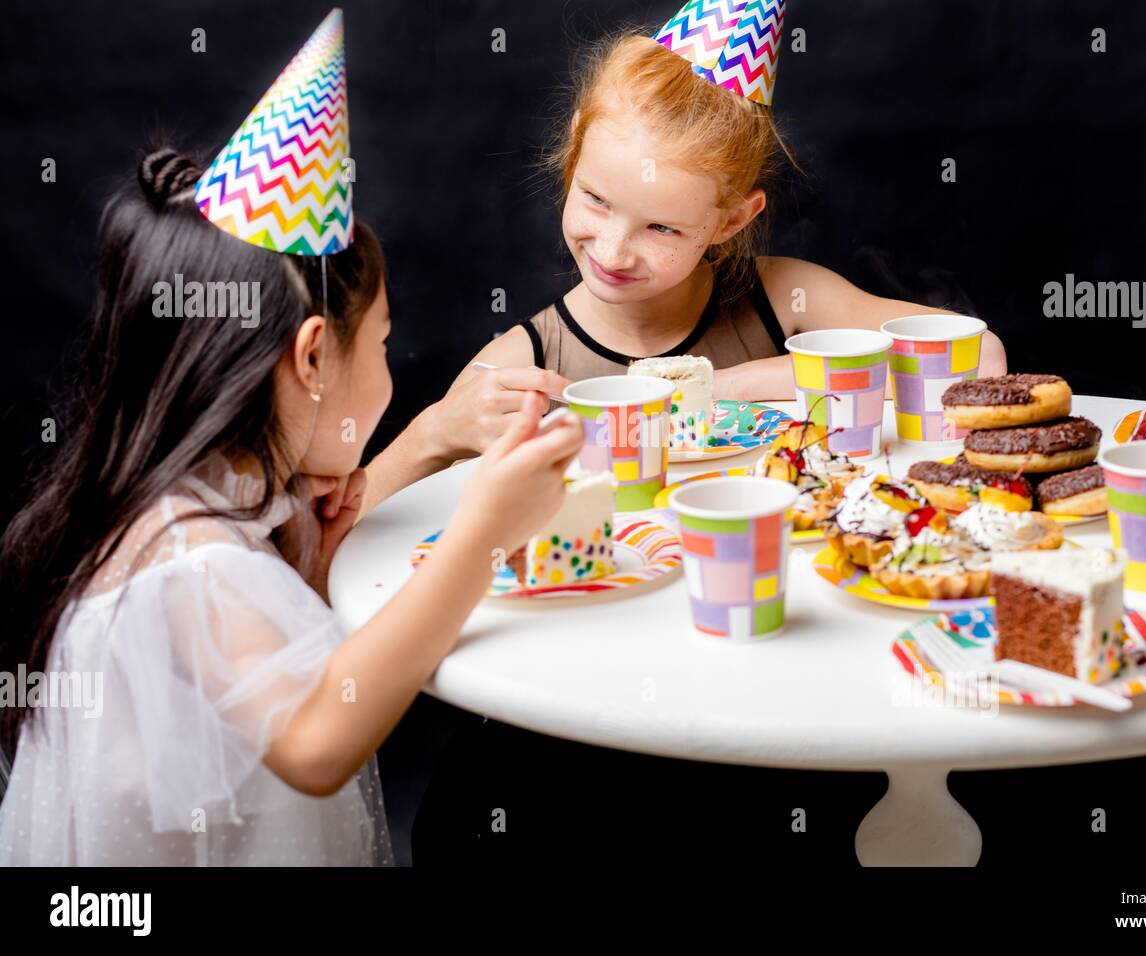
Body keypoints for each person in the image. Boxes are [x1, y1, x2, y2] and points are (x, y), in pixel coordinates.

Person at [0, 147, 584, 865]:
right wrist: (485, 531)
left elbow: (236, 698)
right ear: (312, 357)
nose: (389, 365)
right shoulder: (190, 559)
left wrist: (307, 579)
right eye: (383, 341)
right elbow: (314, 744)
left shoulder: (192, 502)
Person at [360, 30, 1008, 513]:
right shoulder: (524, 359)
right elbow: (344, 545)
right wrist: (432, 435)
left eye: (662, 228)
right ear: (570, 165)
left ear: (729, 220)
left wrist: (728, 386)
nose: (612, 252)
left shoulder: (783, 297)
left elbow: (979, 357)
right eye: (595, 200)